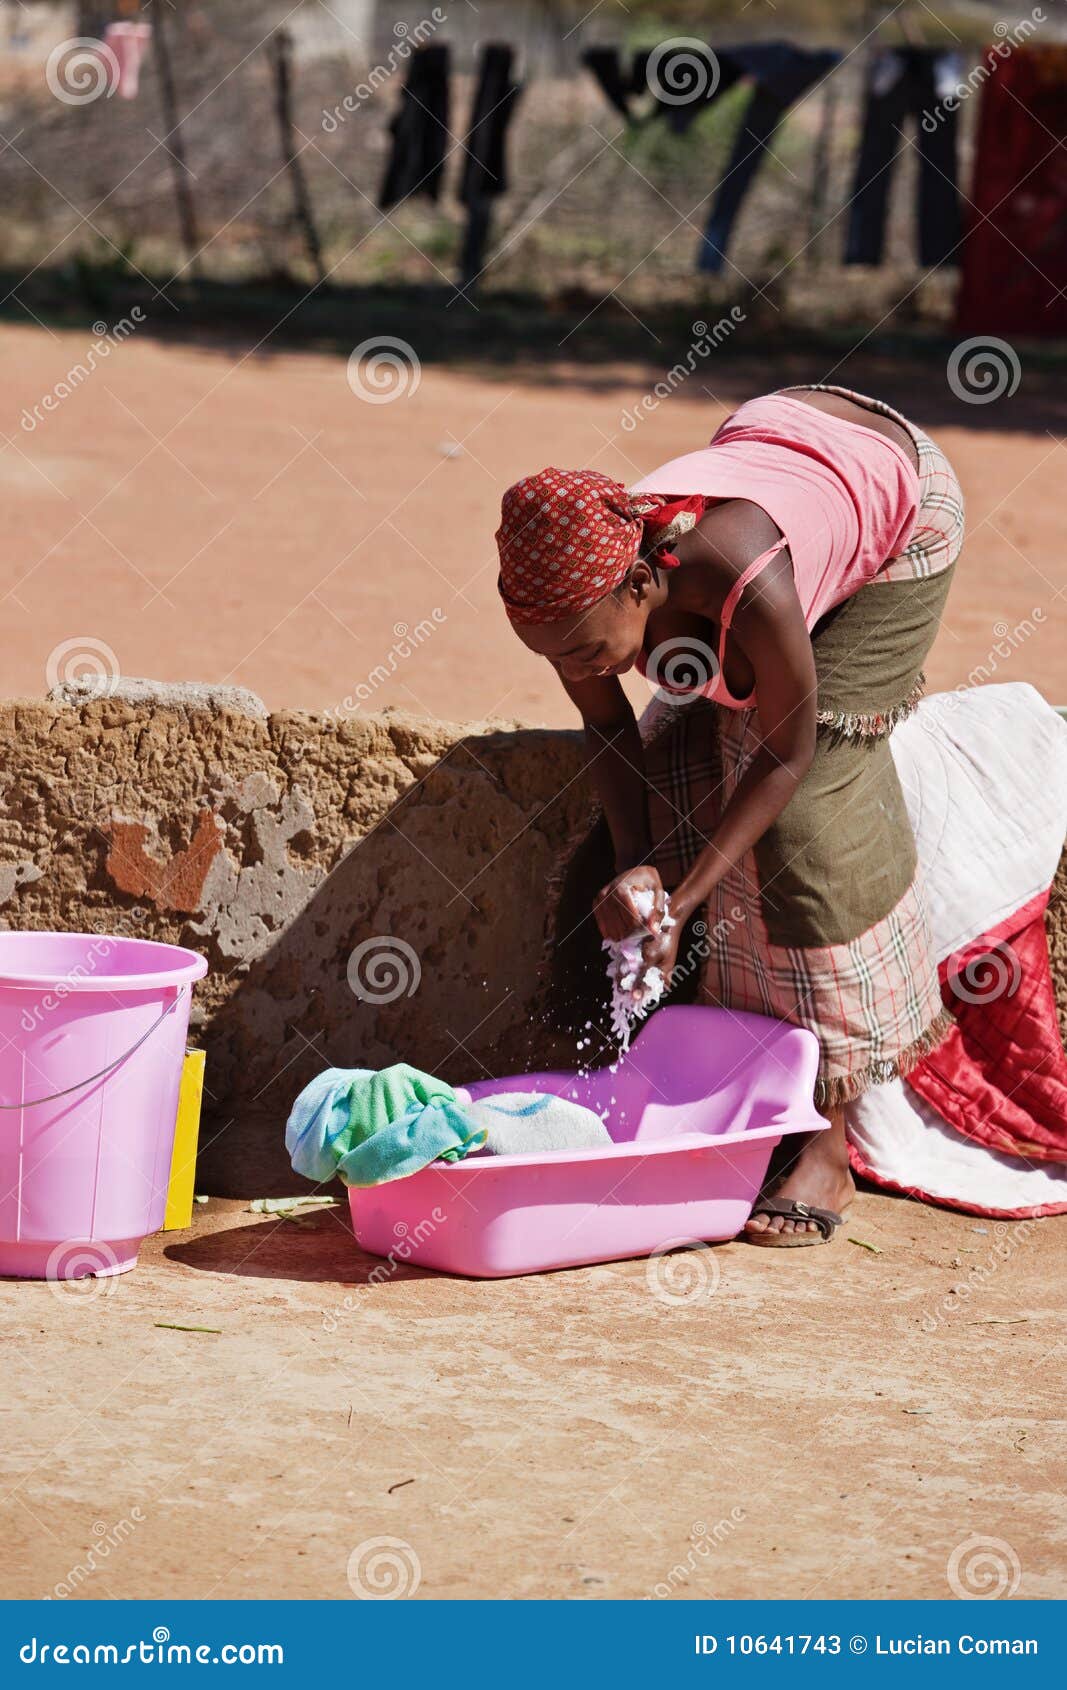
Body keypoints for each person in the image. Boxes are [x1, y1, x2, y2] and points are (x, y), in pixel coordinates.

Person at [496, 385, 964, 1246]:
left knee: (801, 821)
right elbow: (610, 731)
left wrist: (683, 900)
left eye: (584, 650)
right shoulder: (573, 598)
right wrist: (639, 865)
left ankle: (827, 1143)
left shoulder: (747, 576)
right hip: (778, 443)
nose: (575, 667)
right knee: (678, 764)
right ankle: (705, 1081)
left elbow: (788, 754)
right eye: (552, 656)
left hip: (895, 496)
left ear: (642, 582)